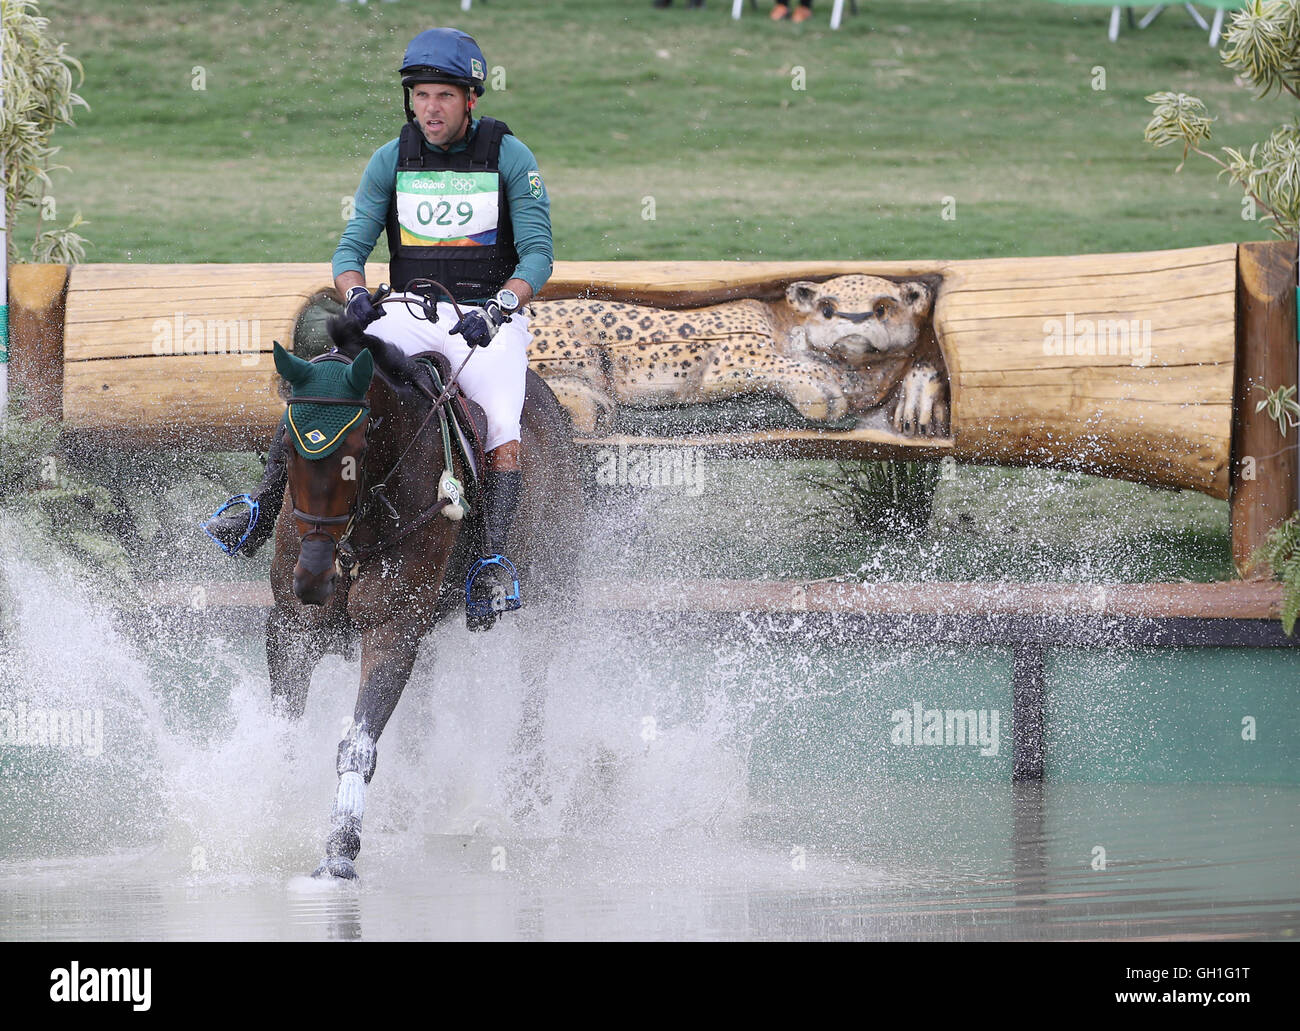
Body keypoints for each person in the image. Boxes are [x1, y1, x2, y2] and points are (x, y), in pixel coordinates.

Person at [204, 27, 552, 632]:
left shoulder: (510, 157)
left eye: (443, 96)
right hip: (409, 313)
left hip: (484, 320)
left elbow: (539, 256)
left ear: (470, 99)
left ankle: (490, 562)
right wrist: (358, 295)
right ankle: (259, 506)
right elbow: (350, 247)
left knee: (500, 421)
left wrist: (500, 307)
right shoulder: (391, 159)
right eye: (421, 96)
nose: (431, 108)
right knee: (328, 383)